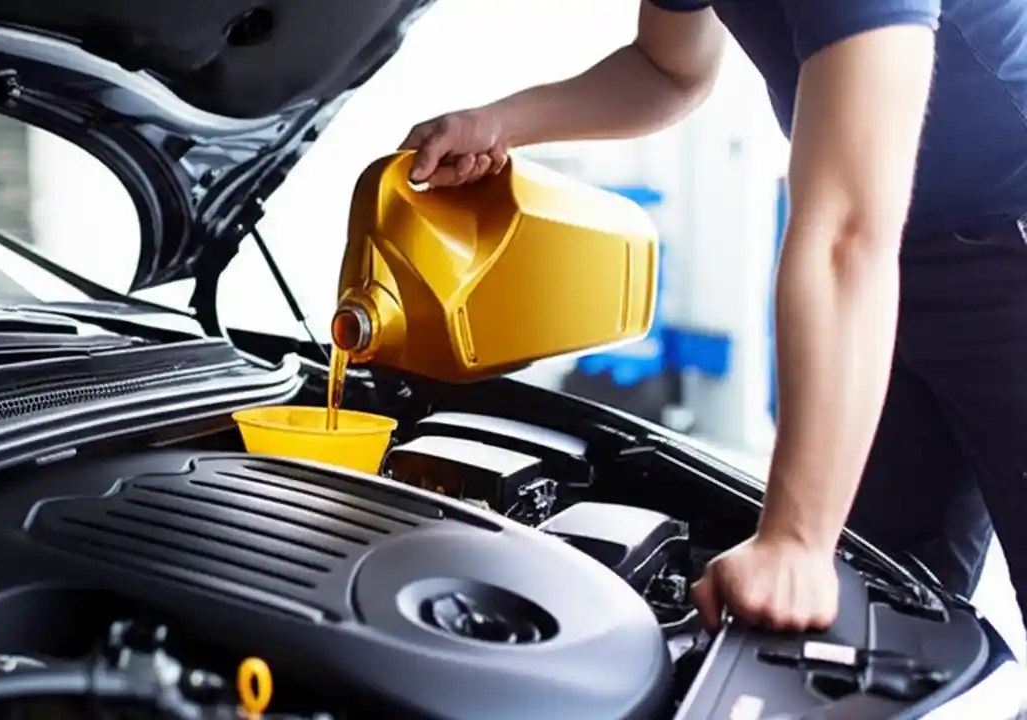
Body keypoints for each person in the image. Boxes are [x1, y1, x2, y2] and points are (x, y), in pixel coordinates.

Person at [401, 0, 1027, 634]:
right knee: (891, 616)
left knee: (823, 567)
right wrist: (498, 124)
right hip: (898, 260)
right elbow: (668, 68)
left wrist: (794, 540)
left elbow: (845, 236)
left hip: (1003, 243)